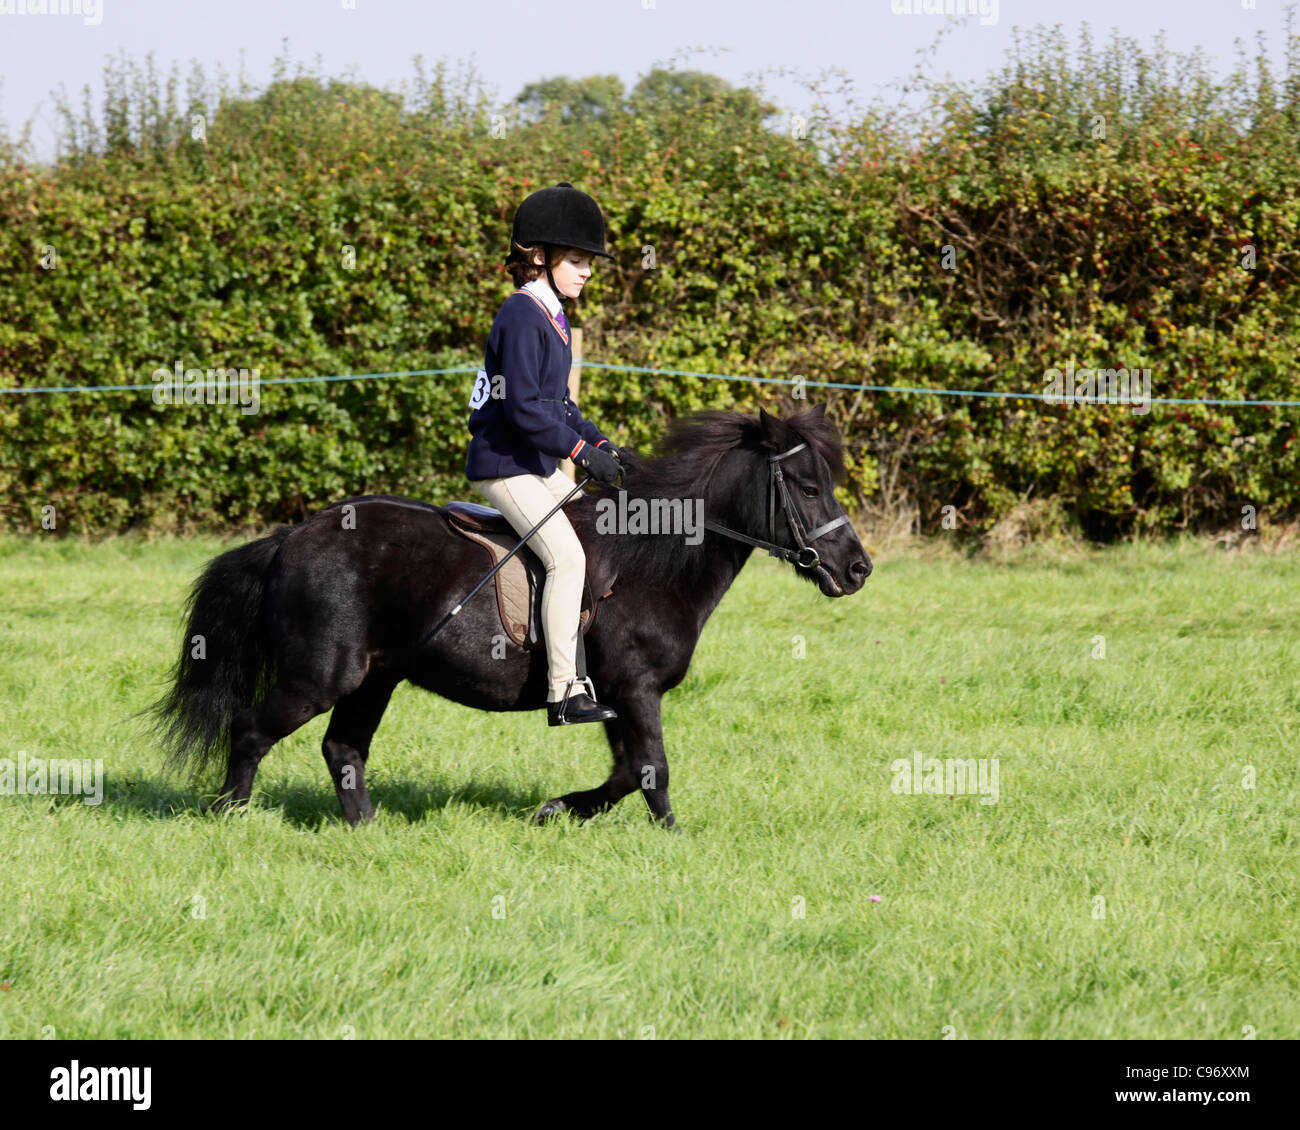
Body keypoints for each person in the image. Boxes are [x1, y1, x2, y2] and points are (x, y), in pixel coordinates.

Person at [465, 182, 638, 725]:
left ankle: (591, 661)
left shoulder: (553, 316)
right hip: (505, 467)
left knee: (598, 530)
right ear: (539, 257)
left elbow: (559, 404)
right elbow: (522, 409)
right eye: (579, 261)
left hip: (535, 465)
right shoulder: (521, 315)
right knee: (567, 558)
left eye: (590, 263)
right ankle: (563, 691)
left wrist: (601, 443)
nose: (588, 272)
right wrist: (583, 452)